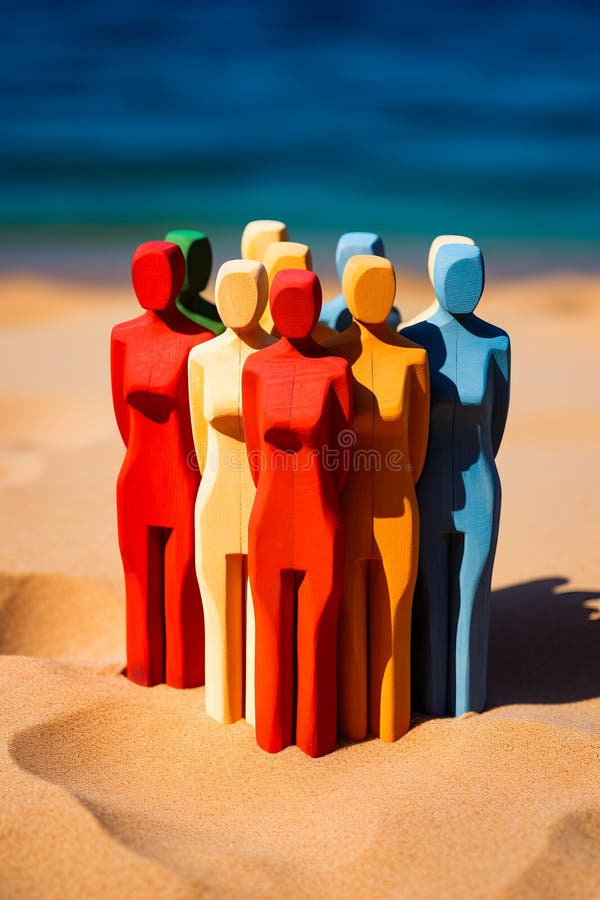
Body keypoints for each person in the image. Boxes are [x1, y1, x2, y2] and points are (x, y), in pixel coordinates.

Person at [242, 269, 353, 757]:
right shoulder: (255, 369)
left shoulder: (335, 371)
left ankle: (314, 736)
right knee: (270, 630)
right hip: (269, 516)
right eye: (286, 303)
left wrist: (320, 495)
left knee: (316, 631)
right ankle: (270, 733)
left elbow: (343, 455)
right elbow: (254, 455)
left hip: (319, 515)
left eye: (303, 303)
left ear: (317, 307)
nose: (294, 313)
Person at [402, 243, 510, 716]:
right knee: (431, 596)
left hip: (479, 484)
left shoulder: (497, 343)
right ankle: (431, 699)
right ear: (433, 274)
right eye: (454, 272)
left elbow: (497, 423)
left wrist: (476, 459)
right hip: (427, 486)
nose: (464, 282)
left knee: (472, 596)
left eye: (471, 273)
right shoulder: (414, 339)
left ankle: (468, 706)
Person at [324, 256, 430, 742]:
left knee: (395, 612)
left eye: (382, 287)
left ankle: (392, 724)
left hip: (398, 503)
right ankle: (352, 721)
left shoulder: (412, 358)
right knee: (350, 617)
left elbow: (418, 448)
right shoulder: (331, 356)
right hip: (347, 503)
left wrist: (397, 482)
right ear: (346, 291)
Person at [111, 241, 213, 688]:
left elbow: (199, 422)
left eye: (160, 275)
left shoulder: (200, 342)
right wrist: (142, 453)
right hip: (136, 476)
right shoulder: (122, 337)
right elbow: (122, 415)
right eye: (142, 275)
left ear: (179, 279)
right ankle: (141, 669)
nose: (149, 285)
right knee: (138, 580)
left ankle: (182, 675)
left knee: (180, 579)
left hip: (181, 477)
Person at [188, 260, 275, 725]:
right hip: (216, 493)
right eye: (229, 291)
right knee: (218, 609)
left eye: (246, 291)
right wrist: (215, 481)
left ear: (263, 296)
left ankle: (259, 709)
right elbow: (200, 444)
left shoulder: (278, 356)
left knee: (261, 609)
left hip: (265, 500)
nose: (236, 302)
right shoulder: (202, 358)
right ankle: (221, 710)